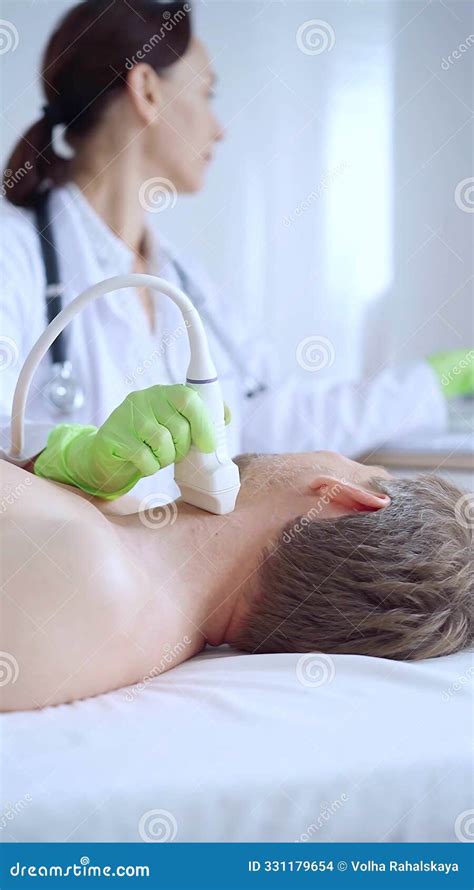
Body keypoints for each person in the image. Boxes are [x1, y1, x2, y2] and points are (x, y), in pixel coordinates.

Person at [1, 0, 473, 506]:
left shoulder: (185, 281)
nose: (219, 128)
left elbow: (270, 418)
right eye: (207, 94)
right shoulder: (15, 250)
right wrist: (65, 459)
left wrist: (437, 379)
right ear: (146, 90)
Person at [1, 449, 472, 712]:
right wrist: (38, 466)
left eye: (360, 465)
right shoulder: (116, 573)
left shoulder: (75, 557)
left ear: (341, 497)